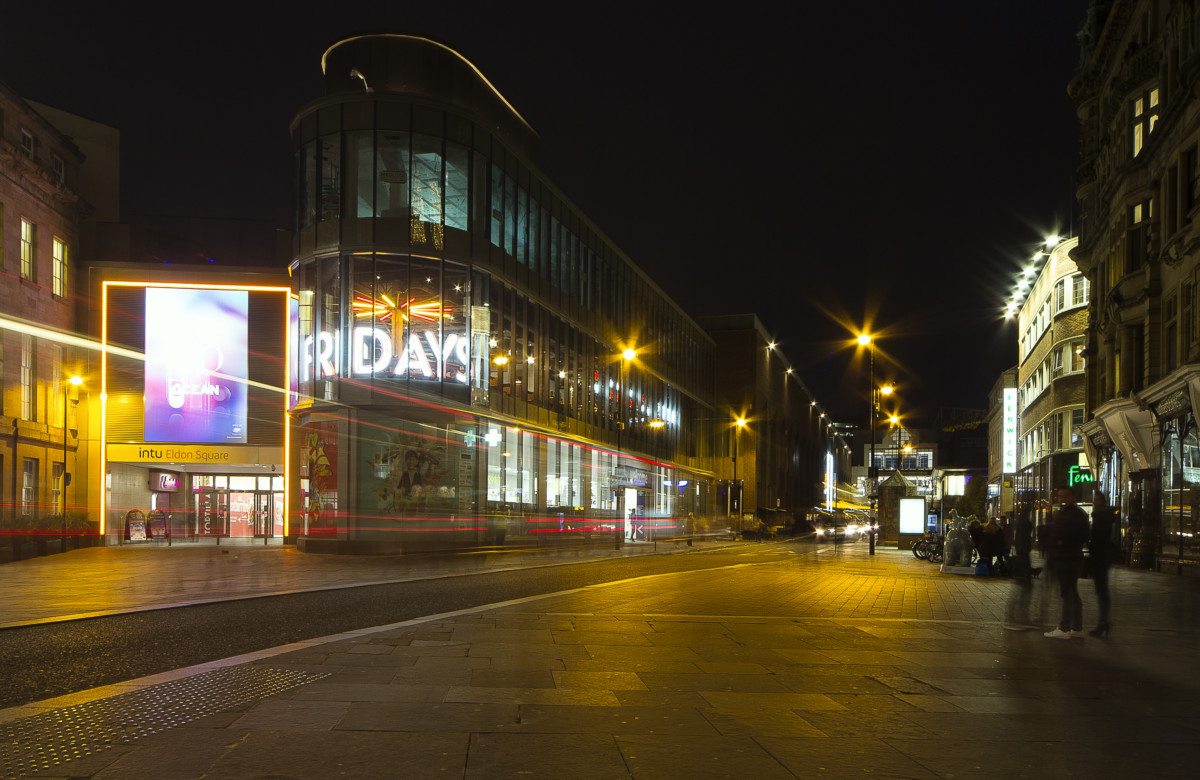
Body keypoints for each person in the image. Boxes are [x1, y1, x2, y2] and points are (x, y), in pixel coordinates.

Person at [1044, 486, 1091, 639]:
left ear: (1073, 497)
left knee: (1068, 593)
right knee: (1072, 592)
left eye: (1065, 496)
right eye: (1059, 496)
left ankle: (1064, 628)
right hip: (1069, 557)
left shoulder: (1074, 515)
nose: (1062, 499)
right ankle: (1077, 628)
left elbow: (1078, 535)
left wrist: (1059, 543)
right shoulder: (1069, 514)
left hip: (1067, 558)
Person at [1088, 491, 1118, 638]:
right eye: (1094, 499)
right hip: (1100, 557)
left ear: (1103, 501)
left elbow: (1100, 538)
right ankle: (1103, 621)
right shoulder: (1100, 515)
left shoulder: (1103, 516)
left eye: (1097, 499)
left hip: (1101, 557)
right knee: (1101, 590)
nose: (1094, 501)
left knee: (1102, 590)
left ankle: (1103, 622)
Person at [1004, 506, 1036, 629]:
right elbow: (1022, 543)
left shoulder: (1021, 523)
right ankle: (1014, 619)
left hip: (1022, 557)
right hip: (1023, 558)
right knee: (1022, 589)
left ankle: (1017, 618)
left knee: (1023, 589)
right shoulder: (1024, 524)